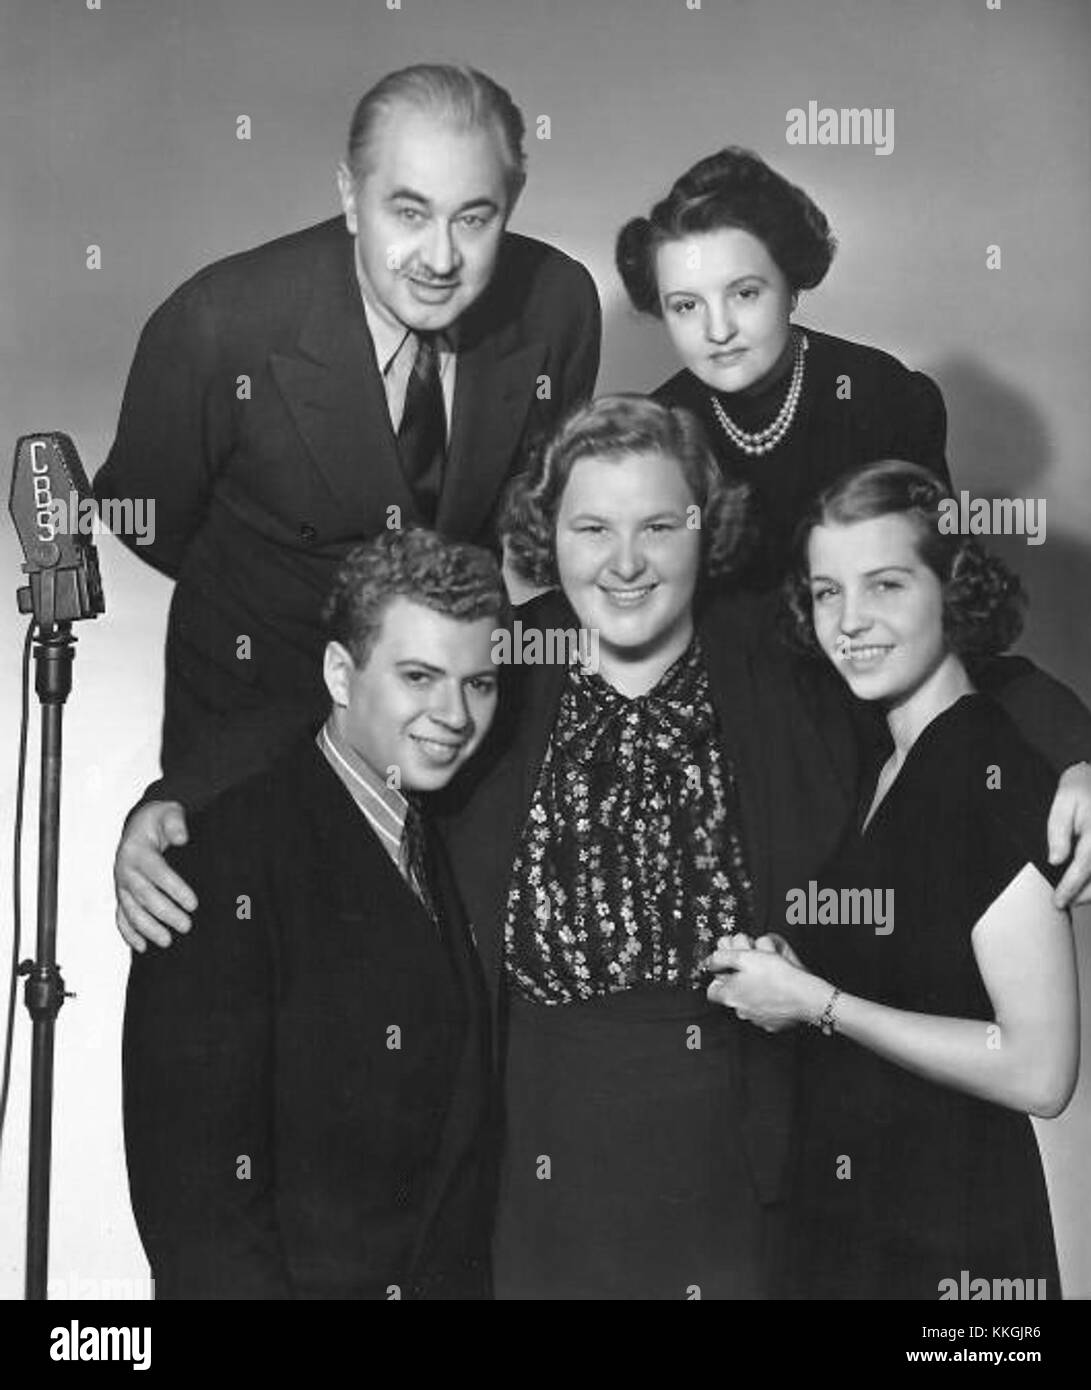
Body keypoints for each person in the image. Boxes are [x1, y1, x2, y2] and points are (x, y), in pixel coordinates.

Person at [438, 397, 1091, 1300]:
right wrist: (174, 803)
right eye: (591, 527)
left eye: (658, 526)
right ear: (546, 534)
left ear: (706, 532)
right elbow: (323, 708)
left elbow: (970, 670)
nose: (624, 563)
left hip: (751, 1145)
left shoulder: (776, 653)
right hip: (539, 1145)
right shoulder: (497, 659)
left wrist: (1083, 761)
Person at [98, 63, 600, 947]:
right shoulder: (219, 323)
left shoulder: (558, 304)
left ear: (510, 204)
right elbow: (150, 518)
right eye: (408, 212)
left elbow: (522, 516)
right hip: (250, 735)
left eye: (472, 218)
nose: (440, 258)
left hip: (447, 743)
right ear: (348, 195)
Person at [705, 460, 1079, 1299]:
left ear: (952, 589)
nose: (850, 622)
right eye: (827, 591)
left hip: (958, 1240)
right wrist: (795, 975)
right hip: (863, 1223)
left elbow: (1040, 1071)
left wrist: (818, 1006)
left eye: (883, 585)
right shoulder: (884, 761)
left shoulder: (989, 769)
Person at [122, 528, 504, 1299]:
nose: (454, 713)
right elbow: (195, 1207)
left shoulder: (434, 830)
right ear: (339, 672)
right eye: (420, 676)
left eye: (481, 683)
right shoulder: (216, 862)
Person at [616, 147, 948, 591]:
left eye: (745, 293)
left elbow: (934, 587)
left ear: (791, 286)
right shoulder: (655, 432)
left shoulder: (883, 396)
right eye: (686, 305)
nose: (718, 330)